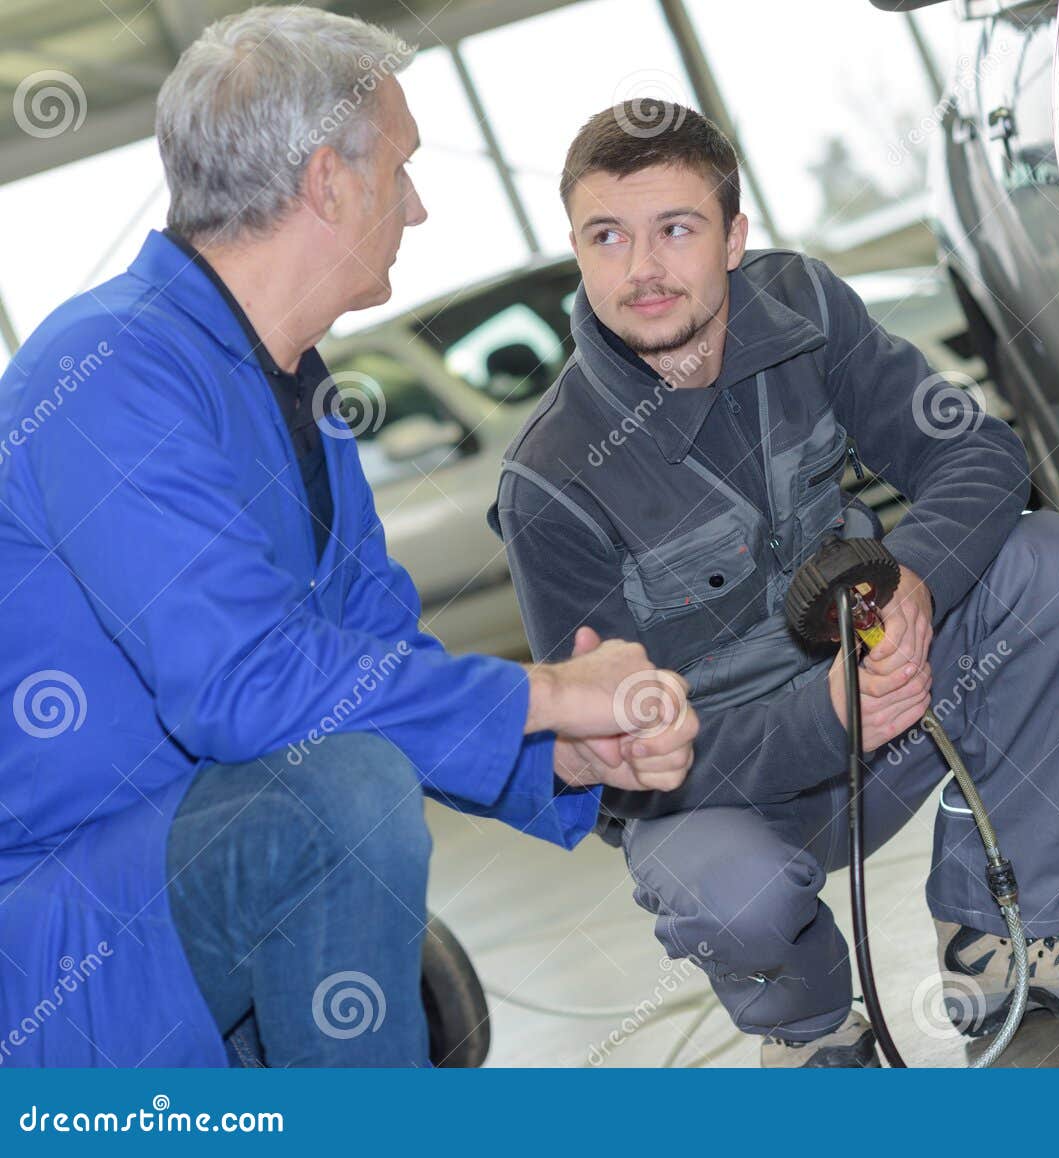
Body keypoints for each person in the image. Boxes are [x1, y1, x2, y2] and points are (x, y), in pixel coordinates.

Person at [0, 6, 695, 1068]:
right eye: (401, 168)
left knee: (345, 796)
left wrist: (553, 748)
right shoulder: (107, 369)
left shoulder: (298, 393)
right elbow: (245, 687)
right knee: (343, 796)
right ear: (327, 180)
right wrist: (543, 691)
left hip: (187, 880)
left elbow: (372, 663)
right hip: (65, 934)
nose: (415, 207)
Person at [492, 101, 1059, 1067]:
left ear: (734, 238)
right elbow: (618, 762)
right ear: (576, 248)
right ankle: (813, 1032)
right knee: (729, 890)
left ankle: (999, 944)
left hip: (895, 707)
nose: (641, 270)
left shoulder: (805, 310)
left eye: (676, 230)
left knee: (1049, 559)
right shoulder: (549, 481)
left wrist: (916, 582)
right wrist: (822, 722)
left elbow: (979, 454)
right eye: (606, 237)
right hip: (726, 794)